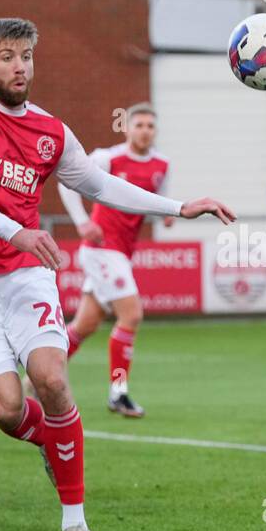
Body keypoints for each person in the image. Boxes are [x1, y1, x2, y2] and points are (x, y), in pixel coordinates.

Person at [0, 17, 233, 531]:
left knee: (50, 378)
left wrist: (179, 207)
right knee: (5, 410)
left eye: (25, 55)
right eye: (6, 56)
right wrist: (17, 231)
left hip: (26, 276)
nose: (18, 65)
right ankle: (54, 441)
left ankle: (75, 520)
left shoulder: (49, 130)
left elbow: (98, 183)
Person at [57, 103, 170, 418]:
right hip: (102, 248)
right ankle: (118, 393)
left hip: (122, 252)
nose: (145, 131)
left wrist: (166, 216)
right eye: (139, 125)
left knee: (84, 325)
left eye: (150, 125)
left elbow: (157, 197)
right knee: (131, 314)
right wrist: (81, 221)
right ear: (127, 128)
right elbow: (67, 181)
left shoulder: (162, 164)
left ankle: (37, 377)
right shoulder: (107, 158)